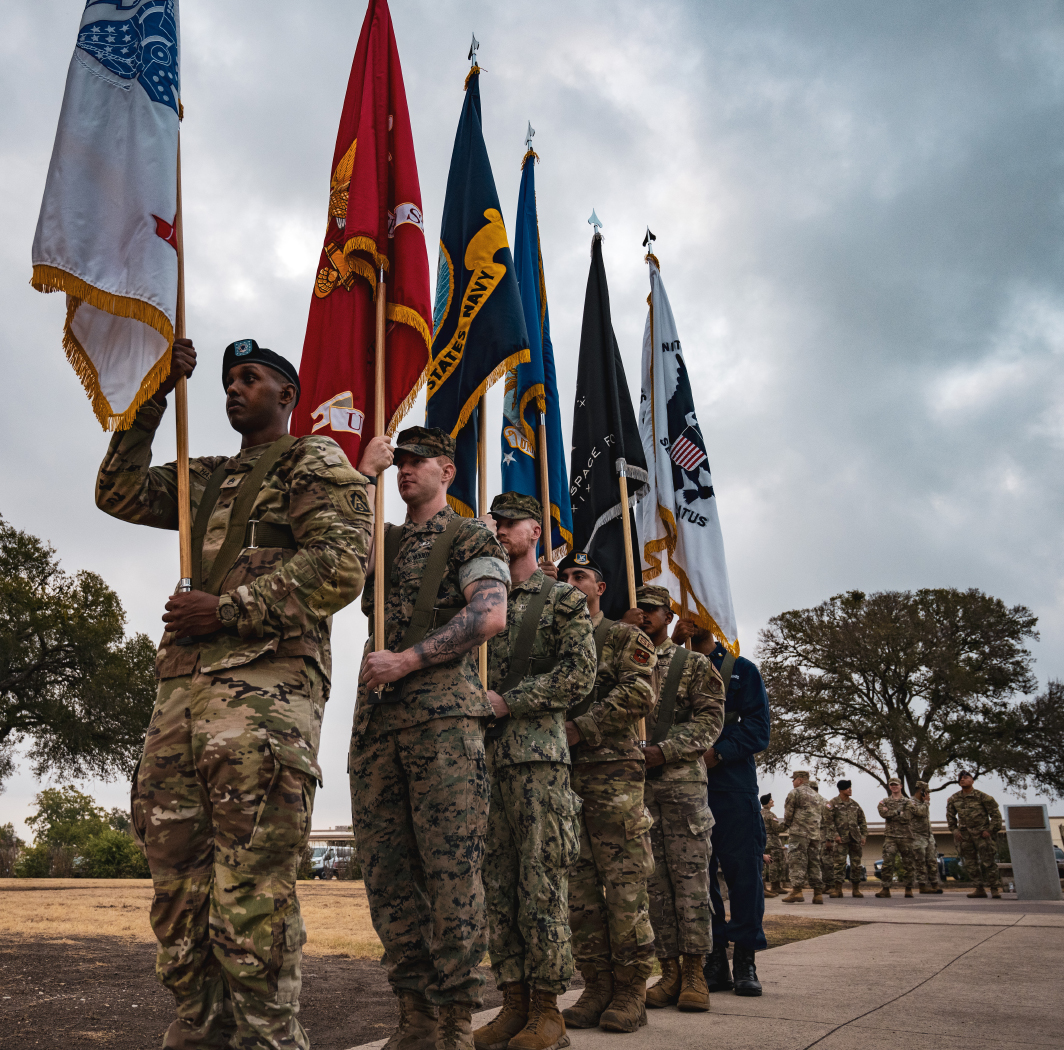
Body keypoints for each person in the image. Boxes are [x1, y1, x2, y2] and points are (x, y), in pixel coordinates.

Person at [96, 337, 379, 1050]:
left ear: (287, 395)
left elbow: (343, 565)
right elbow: (117, 492)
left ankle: (266, 1038)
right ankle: (199, 1030)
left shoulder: (314, 461)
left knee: (252, 891)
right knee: (177, 888)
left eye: (250, 378)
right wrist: (153, 397)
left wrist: (227, 610)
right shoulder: (205, 475)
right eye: (228, 379)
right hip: (181, 696)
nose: (233, 387)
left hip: (264, 693)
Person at [349, 426, 510, 1050]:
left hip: (443, 724)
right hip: (377, 726)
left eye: (419, 461)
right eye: (401, 462)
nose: (406, 470)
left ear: (447, 470)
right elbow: (336, 553)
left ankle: (454, 1021)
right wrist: (363, 477)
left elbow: (489, 614)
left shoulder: (470, 536)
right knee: (387, 877)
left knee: (451, 874)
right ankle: (413, 1014)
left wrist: (409, 660)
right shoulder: (382, 539)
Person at [473, 493, 596, 1050]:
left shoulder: (562, 599)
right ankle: (513, 1002)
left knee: (541, 882)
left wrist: (510, 701)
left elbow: (579, 676)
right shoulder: (480, 598)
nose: (500, 529)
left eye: (510, 522)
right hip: (484, 761)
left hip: (537, 760)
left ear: (535, 531)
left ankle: (549, 1010)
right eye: (494, 522)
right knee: (498, 888)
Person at [557, 550, 658, 1034]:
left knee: (624, 886)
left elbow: (640, 692)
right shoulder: (553, 639)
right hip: (562, 776)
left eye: (580, 576)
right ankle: (596, 985)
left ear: (600, 588)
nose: (570, 581)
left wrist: (584, 727)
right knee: (578, 892)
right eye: (564, 576)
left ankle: (632, 990)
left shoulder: (623, 637)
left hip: (613, 774)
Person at [633, 586, 724, 1014]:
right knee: (654, 886)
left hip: (682, 786)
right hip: (638, 788)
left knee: (691, 883)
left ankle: (694, 973)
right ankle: (668, 971)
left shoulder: (694, 664)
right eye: (638, 609)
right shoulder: (625, 662)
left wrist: (664, 750)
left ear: (668, 616)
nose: (643, 615)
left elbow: (712, 720)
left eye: (651, 609)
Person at [672, 620, 771, 998]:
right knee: (699, 879)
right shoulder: (671, 668)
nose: (688, 615)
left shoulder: (742, 670)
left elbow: (758, 729)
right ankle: (714, 960)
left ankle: (745, 958)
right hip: (684, 786)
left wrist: (720, 753)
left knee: (744, 875)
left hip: (731, 786)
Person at [946, 771, 1004, 899]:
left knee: (988, 862)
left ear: (972, 781)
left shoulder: (983, 797)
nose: (962, 779)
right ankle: (979, 889)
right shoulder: (954, 798)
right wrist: (955, 831)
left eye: (965, 777)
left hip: (982, 835)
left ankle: (994, 889)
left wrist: (990, 830)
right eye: (960, 778)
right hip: (965, 836)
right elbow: (950, 817)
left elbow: (996, 816)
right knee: (970, 864)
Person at [779, 771, 823, 905]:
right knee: (814, 862)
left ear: (799, 780)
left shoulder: (795, 793)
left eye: (793, 780)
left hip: (799, 833)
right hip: (815, 835)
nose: (793, 782)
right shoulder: (818, 796)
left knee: (796, 861)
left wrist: (784, 826)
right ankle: (818, 894)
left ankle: (797, 891)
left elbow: (789, 813)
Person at [876, 778, 916, 898]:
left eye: (896, 785)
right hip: (890, 837)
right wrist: (898, 812)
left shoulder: (908, 802)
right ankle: (885, 889)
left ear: (901, 786)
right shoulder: (884, 801)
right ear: (889, 787)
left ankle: (908, 889)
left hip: (906, 836)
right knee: (887, 863)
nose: (894, 787)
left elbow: (907, 816)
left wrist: (891, 812)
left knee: (908, 863)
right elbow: (882, 813)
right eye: (892, 785)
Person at [828, 780, 868, 898]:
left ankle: (856, 889)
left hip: (854, 839)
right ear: (841, 790)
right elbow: (829, 821)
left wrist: (863, 835)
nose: (850, 790)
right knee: (839, 864)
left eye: (850, 787)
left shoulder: (855, 805)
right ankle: (838, 889)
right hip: (841, 839)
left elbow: (862, 821)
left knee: (856, 865)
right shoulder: (832, 804)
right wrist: (835, 835)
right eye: (847, 788)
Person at [910, 782, 942, 895]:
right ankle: (922, 886)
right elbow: (920, 812)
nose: (928, 794)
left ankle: (935, 884)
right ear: (922, 791)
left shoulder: (924, 803)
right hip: (917, 836)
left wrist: (925, 802)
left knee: (932, 861)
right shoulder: (911, 802)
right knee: (920, 862)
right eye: (926, 792)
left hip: (928, 836)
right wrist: (927, 802)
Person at [811, 779, 835, 899]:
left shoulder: (825, 803)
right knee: (819, 862)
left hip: (824, 836)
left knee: (827, 862)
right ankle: (825, 884)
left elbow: (830, 822)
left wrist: (829, 839)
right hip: (815, 836)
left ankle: (831, 885)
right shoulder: (810, 802)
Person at [760, 794, 787, 895]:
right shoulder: (771, 815)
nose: (773, 801)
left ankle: (764, 888)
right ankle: (775, 886)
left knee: (762, 864)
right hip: (772, 842)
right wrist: (787, 824)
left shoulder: (759, 813)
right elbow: (777, 828)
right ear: (767, 802)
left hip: (762, 841)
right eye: (771, 800)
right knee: (775, 864)